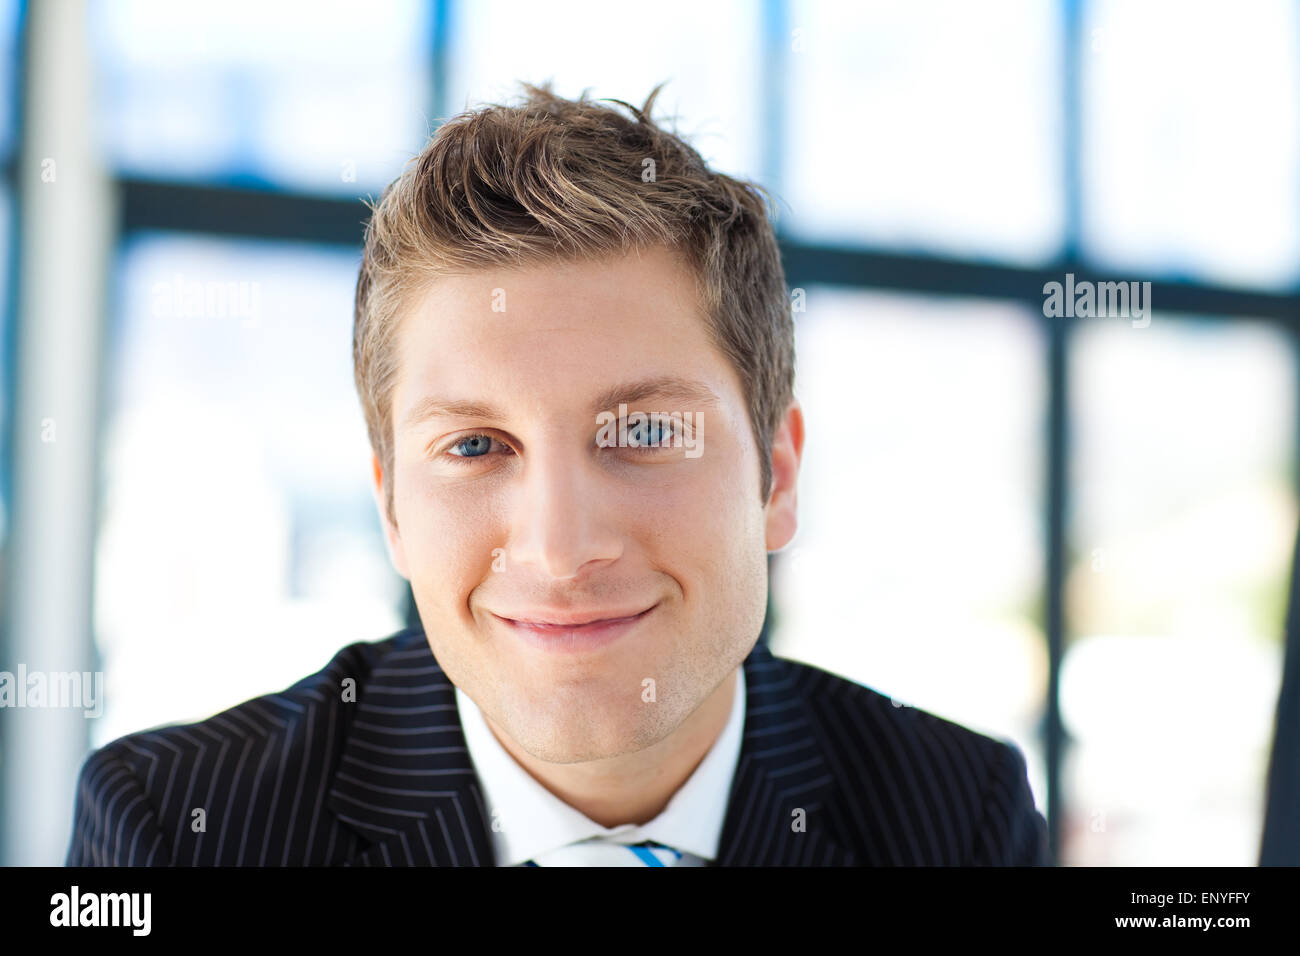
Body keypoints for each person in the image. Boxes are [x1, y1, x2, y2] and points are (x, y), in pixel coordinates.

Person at [66, 82, 1049, 867]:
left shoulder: (959, 811)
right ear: (391, 506)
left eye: (644, 430)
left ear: (777, 475)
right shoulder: (179, 826)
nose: (560, 546)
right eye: (474, 446)